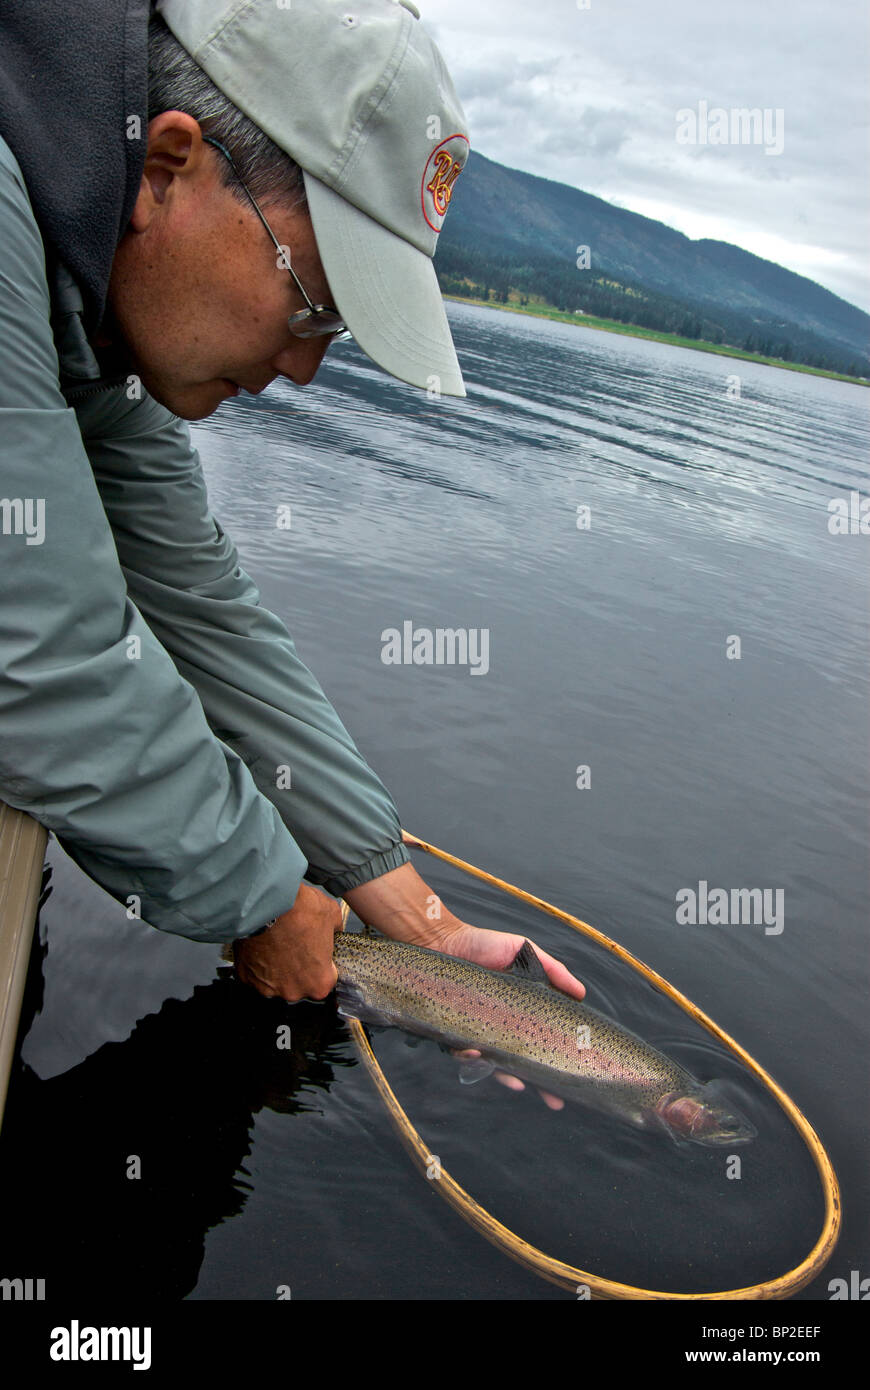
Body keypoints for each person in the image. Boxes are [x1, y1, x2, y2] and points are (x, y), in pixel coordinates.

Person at [0, 0, 583, 1104]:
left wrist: (411, 912)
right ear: (170, 165)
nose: (305, 374)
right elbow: (34, 643)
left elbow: (196, 598)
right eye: (311, 307)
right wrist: (264, 895)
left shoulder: (91, 299)